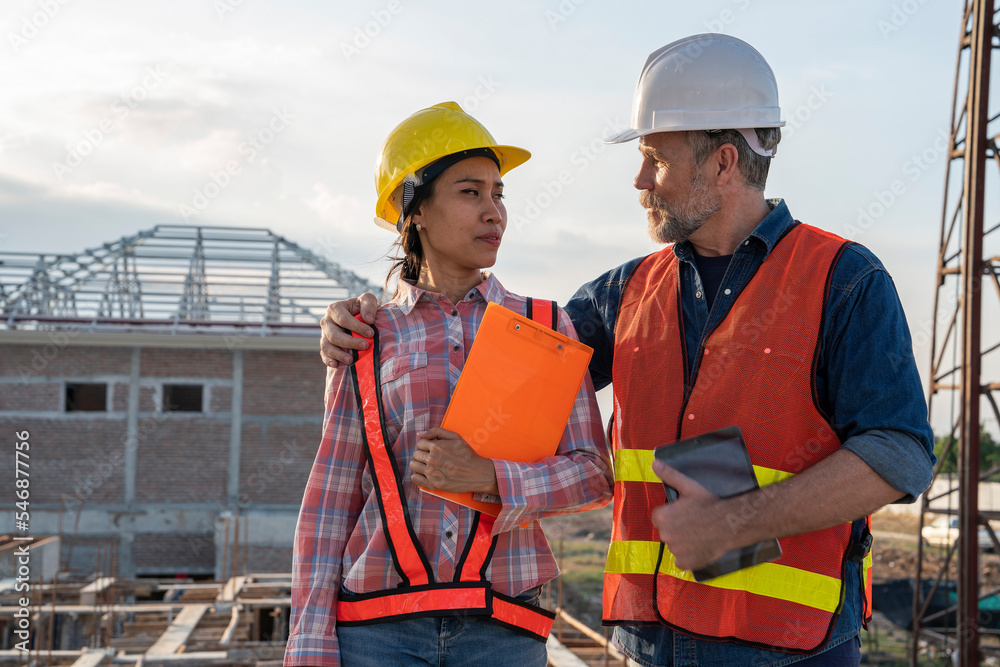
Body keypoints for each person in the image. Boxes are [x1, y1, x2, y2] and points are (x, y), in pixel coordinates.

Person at [319, 36, 935, 666]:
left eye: (654, 159)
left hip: (790, 647)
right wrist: (364, 317)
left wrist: (738, 521)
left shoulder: (842, 280)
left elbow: (899, 452)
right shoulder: (625, 293)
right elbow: (476, 350)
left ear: (724, 162)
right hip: (653, 641)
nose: (639, 180)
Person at [284, 102, 613, 667]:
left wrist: (491, 478)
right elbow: (332, 497)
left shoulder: (542, 326)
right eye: (470, 192)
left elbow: (592, 474)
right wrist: (308, 641)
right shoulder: (367, 332)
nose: (495, 213)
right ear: (415, 210)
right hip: (376, 630)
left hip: (502, 629)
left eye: (499, 193)